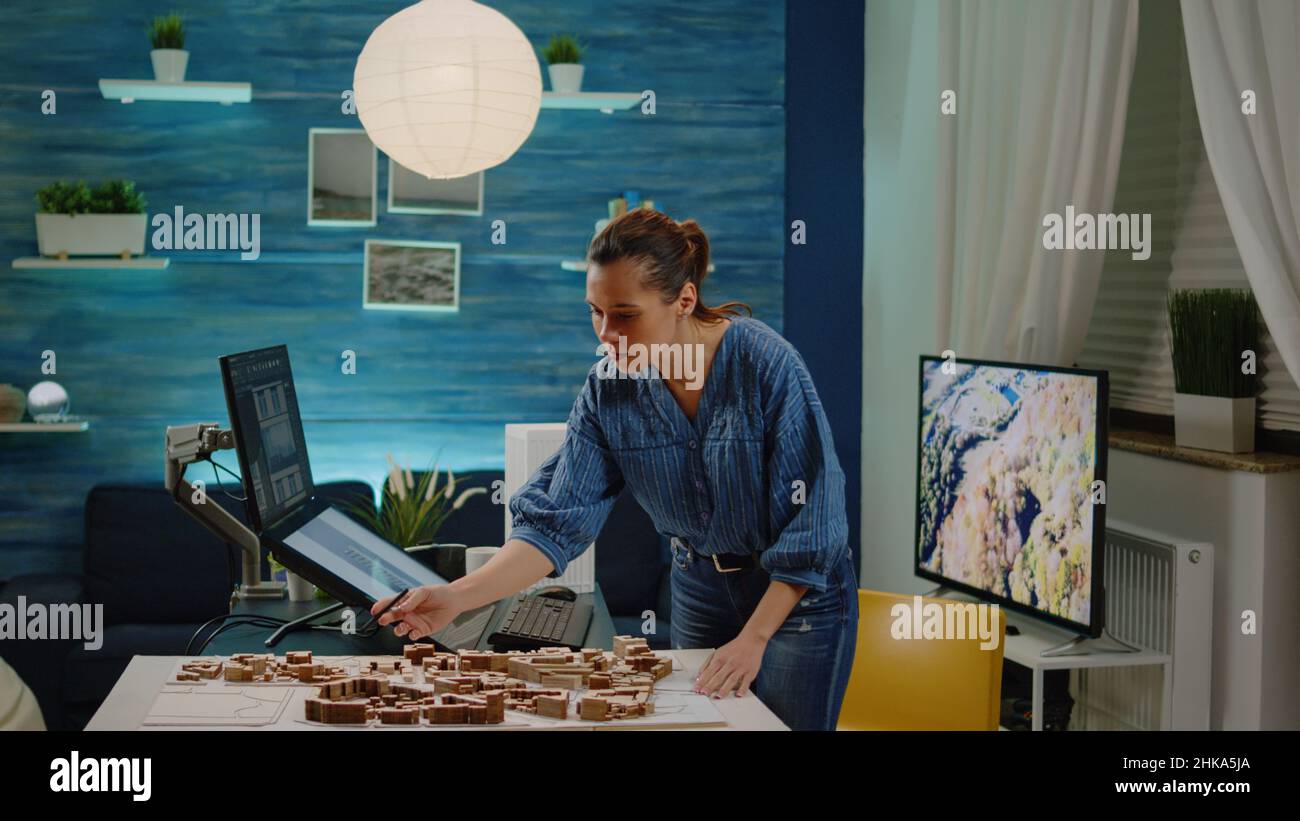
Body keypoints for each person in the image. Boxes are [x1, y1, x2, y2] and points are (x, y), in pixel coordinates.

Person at [372, 208, 858, 731]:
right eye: (595, 312)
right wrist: (455, 598)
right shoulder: (609, 387)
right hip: (697, 586)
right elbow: (555, 523)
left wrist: (756, 638)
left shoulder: (764, 366)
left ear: (684, 300)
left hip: (796, 597)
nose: (607, 334)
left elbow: (813, 526)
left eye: (625, 314)